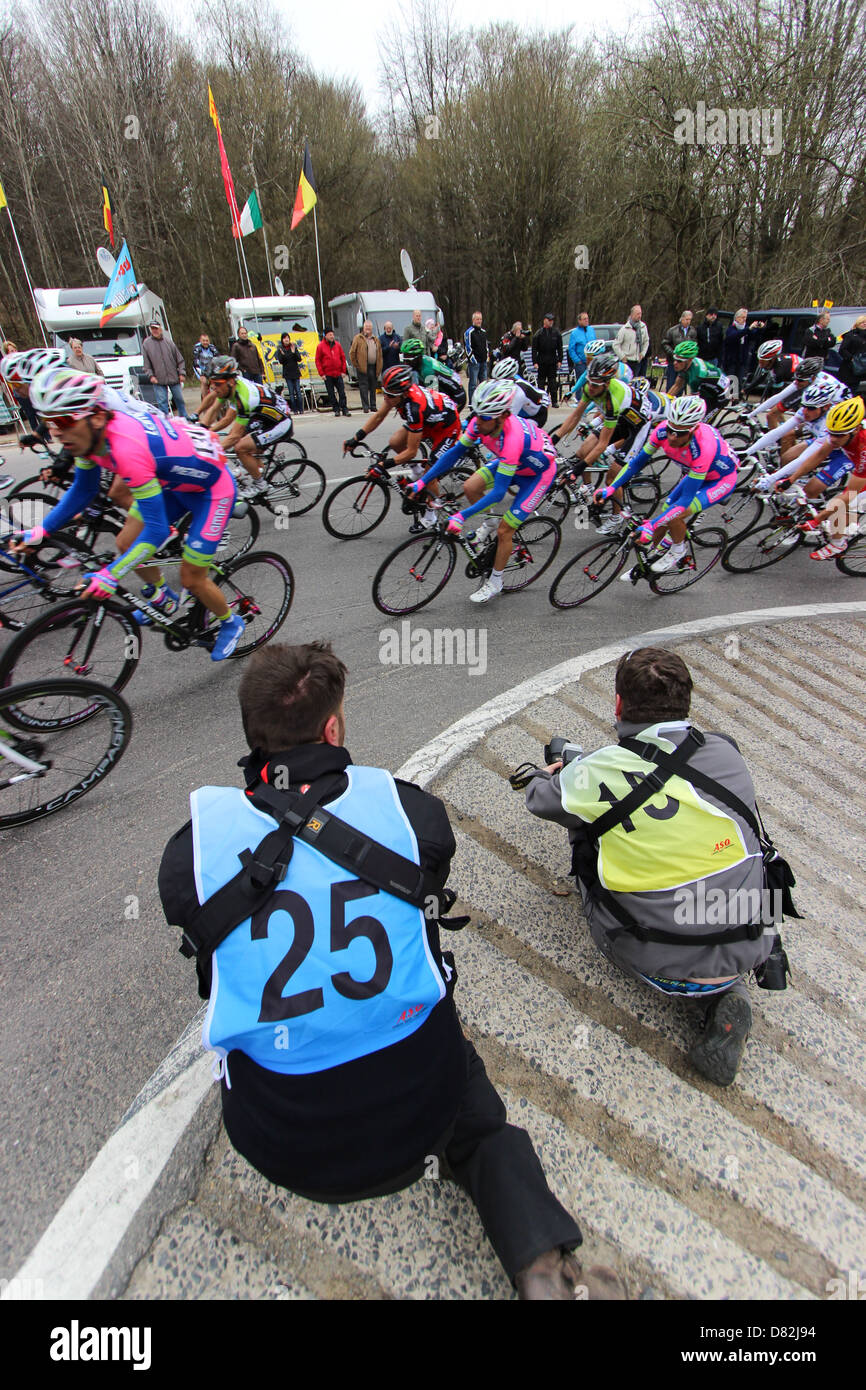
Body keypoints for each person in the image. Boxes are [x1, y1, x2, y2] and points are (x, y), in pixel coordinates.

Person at [158, 641, 624, 1300]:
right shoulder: (412, 815)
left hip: (279, 1143)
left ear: (252, 733)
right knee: (470, 1096)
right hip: (421, 1119)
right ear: (333, 727)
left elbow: (207, 948)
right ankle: (544, 1266)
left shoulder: (193, 848)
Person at [524, 646, 781, 1087]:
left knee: (588, 828)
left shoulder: (603, 768)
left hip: (651, 958)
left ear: (620, 705)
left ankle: (699, 983)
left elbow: (539, 800)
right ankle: (730, 990)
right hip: (752, 938)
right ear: (686, 702)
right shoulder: (726, 754)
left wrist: (551, 773)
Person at [13, 365, 245, 658]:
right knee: (124, 543)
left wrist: (111, 574)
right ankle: (164, 599)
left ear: (96, 417)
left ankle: (230, 621)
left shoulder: (126, 449)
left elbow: (157, 529)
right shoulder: (90, 439)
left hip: (212, 492)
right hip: (175, 483)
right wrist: (40, 531)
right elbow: (83, 491)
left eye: (62, 420)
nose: (55, 432)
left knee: (192, 577)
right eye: (48, 422)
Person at [409, 378, 558, 605]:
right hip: (516, 463)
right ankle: (488, 524)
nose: (477, 422)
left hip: (537, 475)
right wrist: (422, 482)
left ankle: (496, 581)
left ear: (502, 417)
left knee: (505, 531)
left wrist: (461, 516)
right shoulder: (480, 423)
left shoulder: (512, 439)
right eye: (476, 414)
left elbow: (499, 494)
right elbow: (453, 454)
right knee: (470, 486)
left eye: (484, 418)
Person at [594, 394, 738, 574]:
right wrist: (611, 488)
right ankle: (653, 556)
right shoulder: (662, 430)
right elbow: (636, 463)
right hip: (695, 474)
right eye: (671, 429)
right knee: (667, 509)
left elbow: (685, 500)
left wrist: (651, 525)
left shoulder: (704, 447)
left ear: (693, 430)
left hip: (719, 480)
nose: (672, 437)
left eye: (680, 433)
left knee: (675, 514)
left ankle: (678, 551)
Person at [198, 356, 293, 495]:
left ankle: (261, 485)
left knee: (240, 448)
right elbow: (214, 410)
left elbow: (235, 436)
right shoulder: (230, 387)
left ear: (230, 381)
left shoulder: (245, 398)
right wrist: (201, 430)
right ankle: (255, 468)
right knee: (241, 443)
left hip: (280, 422)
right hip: (263, 418)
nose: (214, 387)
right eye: (212, 383)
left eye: (217, 384)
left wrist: (209, 451)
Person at [399, 338, 467, 411]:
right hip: (448, 391)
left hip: (456, 397)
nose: (405, 363)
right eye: (404, 358)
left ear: (418, 357)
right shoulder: (423, 360)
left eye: (408, 359)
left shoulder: (428, 372)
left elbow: (434, 398)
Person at [667, 339, 733, 413]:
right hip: (707, 389)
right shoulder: (685, 365)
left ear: (690, 360)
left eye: (679, 361)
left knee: (696, 419)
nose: (675, 363)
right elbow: (677, 386)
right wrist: (665, 401)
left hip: (722, 394)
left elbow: (693, 399)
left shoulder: (696, 376)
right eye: (674, 359)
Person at [142, 320, 188, 418]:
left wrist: (182, 373)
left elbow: (180, 360)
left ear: (161, 329)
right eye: (152, 328)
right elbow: (146, 364)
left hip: (174, 378)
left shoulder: (169, 342)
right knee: (162, 403)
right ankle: (165, 422)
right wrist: (151, 376)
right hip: (158, 380)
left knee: (179, 400)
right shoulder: (146, 344)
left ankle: (184, 419)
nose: (155, 330)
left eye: (156, 328)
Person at [491, 358, 550, 427]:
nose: (498, 385)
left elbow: (510, 418)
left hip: (537, 415)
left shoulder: (519, 393)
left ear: (510, 379)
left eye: (501, 382)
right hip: (529, 405)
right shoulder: (513, 378)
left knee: (515, 429)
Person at [349, 320, 382, 414]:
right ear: (363, 328)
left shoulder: (375, 339)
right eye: (366, 327)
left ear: (372, 328)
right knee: (363, 387)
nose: (368, 329)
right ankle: (365, 406)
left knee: (373, 387)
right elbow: (352, 352)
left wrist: (379, 365)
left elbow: (379, 353)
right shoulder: (358, 338)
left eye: (369, 327)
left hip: (374, 366)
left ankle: (373, 406)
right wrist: (356, 365)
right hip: (362, 366)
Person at [315, 329, 350, 417]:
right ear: (325, 336)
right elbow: (318, 361)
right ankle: (336, 409)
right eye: (330, 335)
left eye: (332, 334)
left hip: (338, 373)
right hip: (328, 374)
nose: (332, 336)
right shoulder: (320, 346)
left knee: (342, 392)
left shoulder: (337, 345)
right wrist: (321, 373)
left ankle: (344, 409)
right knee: (331, 394)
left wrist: (343, 371)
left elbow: (342, 357)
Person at [532, 313, 563, 406]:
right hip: (542, 360)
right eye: (549, 320)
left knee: (553, 382)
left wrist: (560, 360)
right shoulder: (539, 334)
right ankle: (541, 400)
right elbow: (534, 349)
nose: (551, 322)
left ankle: (554, 401)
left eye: (552, 320)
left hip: (553, 360)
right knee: (541, 381)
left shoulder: (556, 333)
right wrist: (535, 362)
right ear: (545, 321)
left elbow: (560, 348)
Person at [661, 311, 698, 389]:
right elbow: (665, 343)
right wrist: (672, 353)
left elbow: (694, 345)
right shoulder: (672, 331)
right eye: (686, 319)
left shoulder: (693, 331)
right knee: (671, 384)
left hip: (685, 363)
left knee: (680, 385)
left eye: (690, 320)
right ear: (682, 319)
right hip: (673, 361)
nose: (688, 322)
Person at [613, 306, 649, 378]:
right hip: (627, 361)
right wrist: (622, 356)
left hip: (638, 361)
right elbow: (615, 345)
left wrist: (643, 353)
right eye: (637, 314)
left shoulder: (643, 327)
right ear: (632, 315)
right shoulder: (624, 329)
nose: (639, 316)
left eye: (640, 314)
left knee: (635, 382)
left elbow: (646, 341)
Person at [837, 316, 866, 396]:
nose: (864, 324)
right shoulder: (850, 335)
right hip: (850, 371)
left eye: (865, 322)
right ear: (857, 324)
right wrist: (852, 358)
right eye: (862, 322)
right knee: (849, 393)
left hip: (863, 371)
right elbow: (842, 350)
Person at [276, 333, 305, 414]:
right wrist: (284, 354)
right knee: (291, 393)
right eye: (284, 338)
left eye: (287, 338)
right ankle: (294, 410)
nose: (286, 339)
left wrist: (293, 352)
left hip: (295, 372)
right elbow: (281, 361)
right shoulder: (281, 349)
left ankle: (301, 409)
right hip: (287, 374)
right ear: (282, 340)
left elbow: (299, 359)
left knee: (298, 392)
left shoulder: (293, 347)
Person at [464, 311, 489, 400]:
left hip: (483, 361)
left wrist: (487, 356)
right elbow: (468, 348)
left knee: (484, 384)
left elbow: (486, 346)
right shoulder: (469, 332)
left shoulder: (483, 332)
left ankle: (483, 401)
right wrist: (473, 360)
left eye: (480, 319)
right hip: (474, 363)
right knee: (473, 384)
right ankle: (472, 402)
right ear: (473, 320)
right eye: (477, 319)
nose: (479, 321)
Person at [567, 312, 595, 379]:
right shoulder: (574, 333)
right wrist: (577, 361)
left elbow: (595, 344)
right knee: (581, 384)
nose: (586, 320)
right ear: (579, 321)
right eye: (584, 319)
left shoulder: (591, 330)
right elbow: (571, 349)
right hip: (581, 363)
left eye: (587, 318)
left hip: (591, 362)